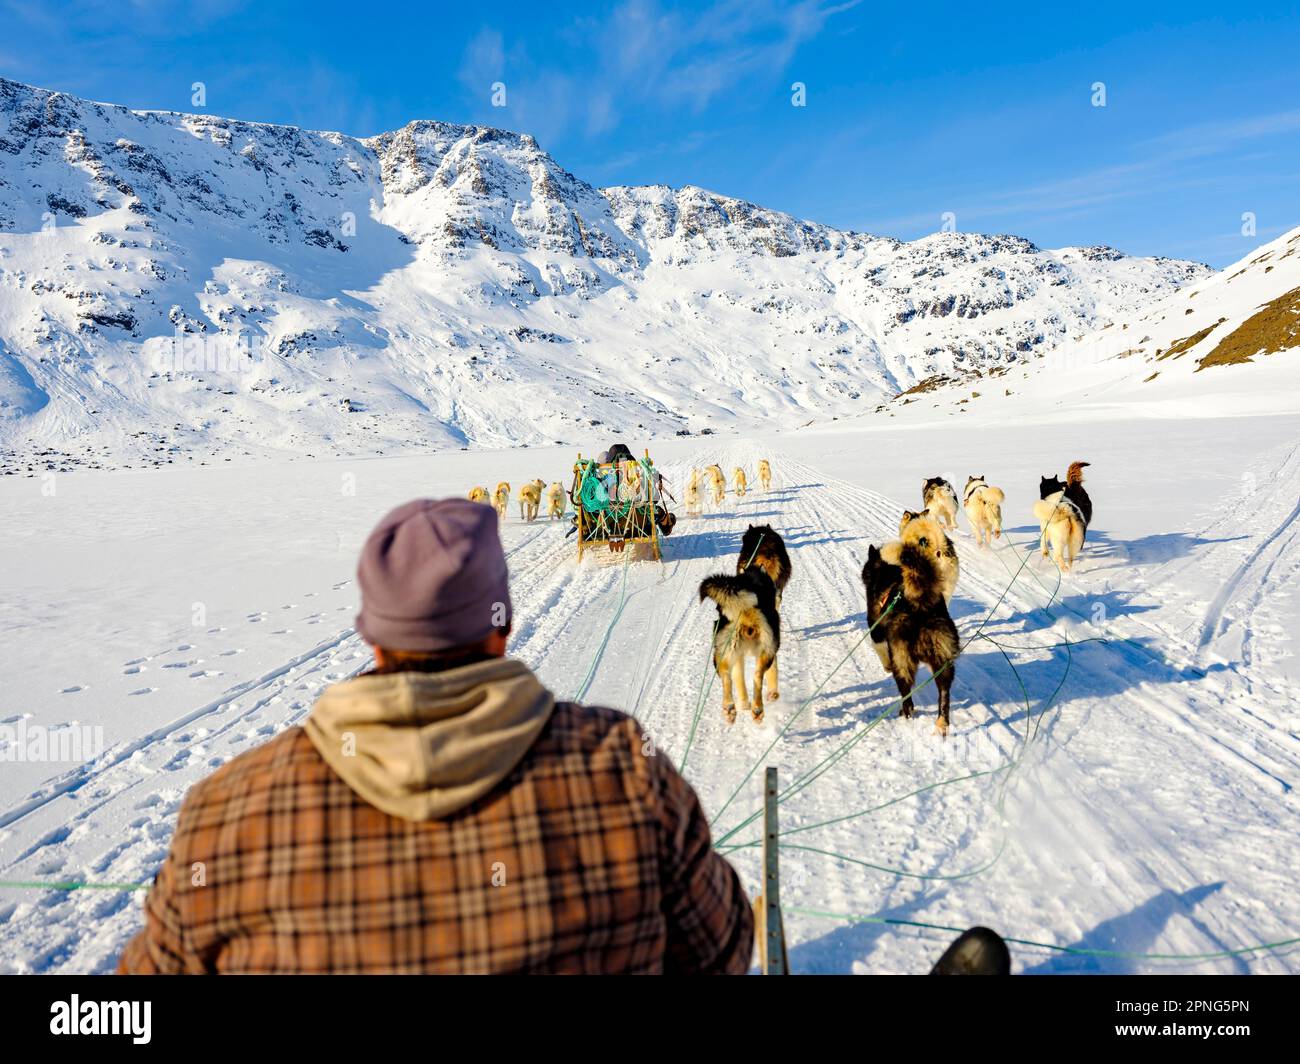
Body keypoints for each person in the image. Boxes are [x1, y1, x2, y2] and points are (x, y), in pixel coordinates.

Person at [118, 499, 753, 974]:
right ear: (501, 628)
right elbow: (722, 950)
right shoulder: (623, 769)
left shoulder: (224, 812)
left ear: (373, 636)